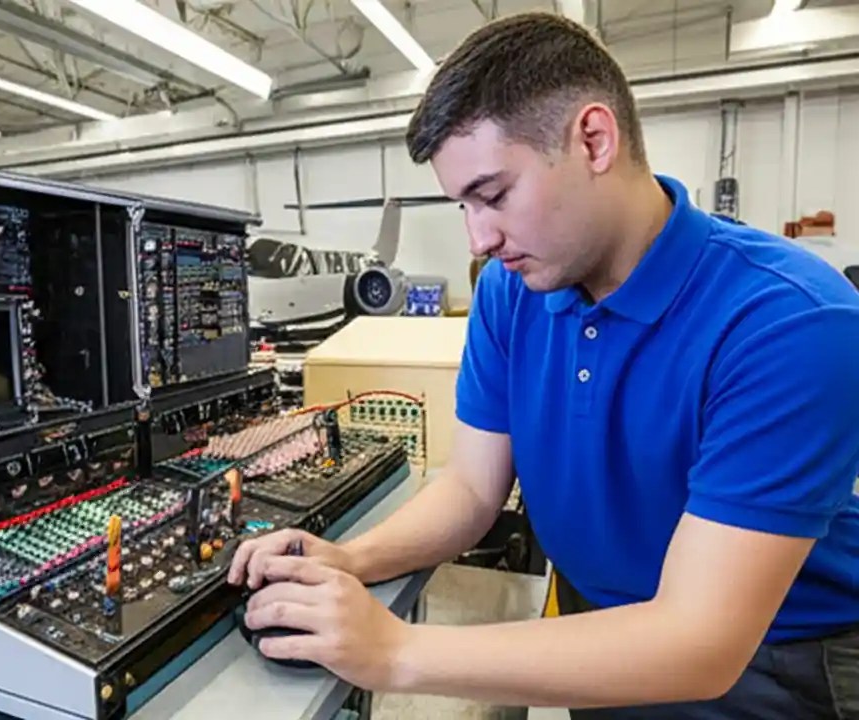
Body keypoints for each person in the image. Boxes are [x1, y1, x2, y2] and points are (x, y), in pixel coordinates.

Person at [228, 10, 859, 719]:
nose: (480, 236)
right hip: (601, 631)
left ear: (594, 139)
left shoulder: (789, 321)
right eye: (462, 205)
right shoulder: (511, 291)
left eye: (494, 196)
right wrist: (349, 559)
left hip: (773, 661)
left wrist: (396, 651)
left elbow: (698, 642)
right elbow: (472, 489)